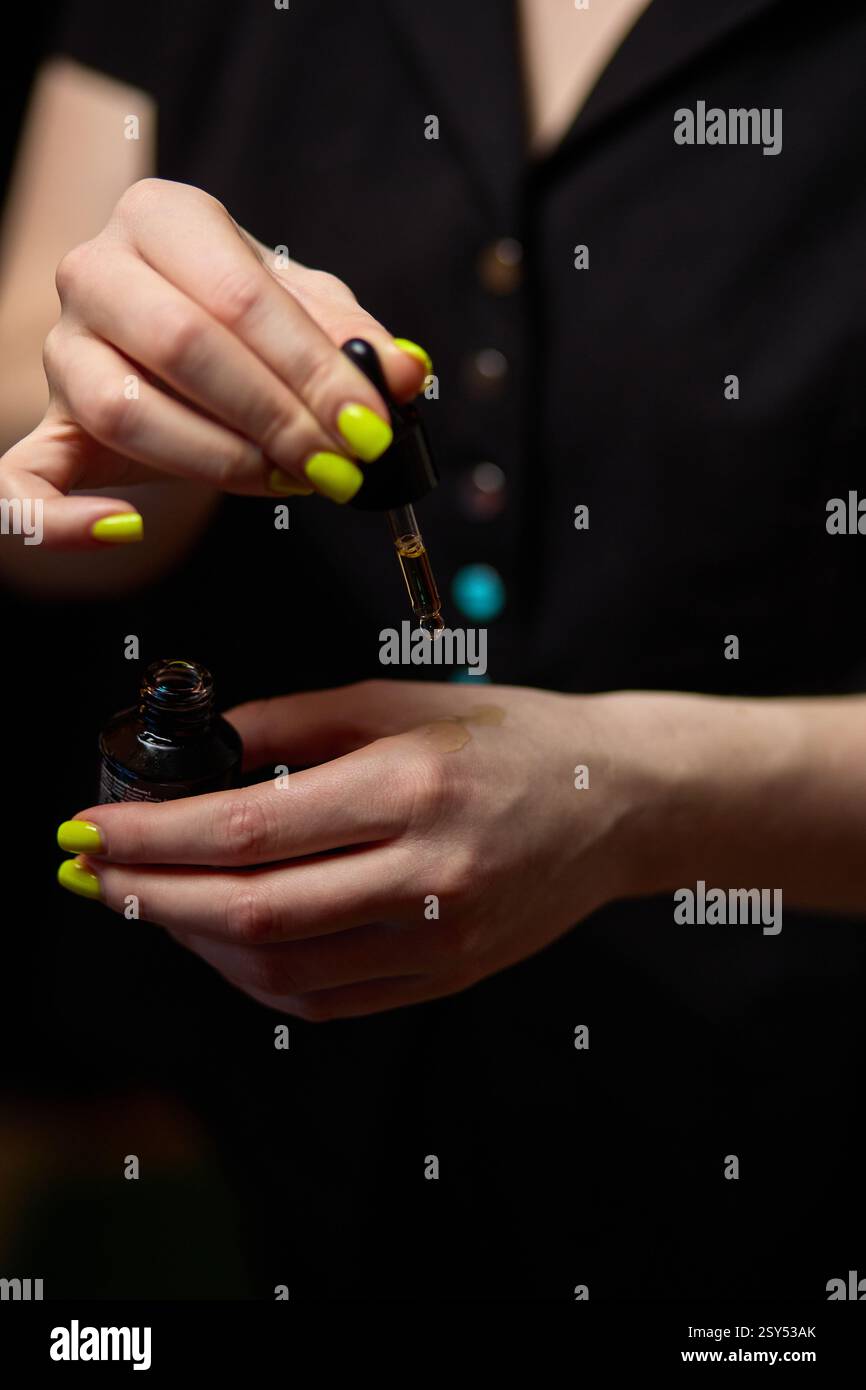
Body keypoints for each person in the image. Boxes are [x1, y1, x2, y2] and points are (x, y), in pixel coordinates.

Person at [1, 0, 864, 1300]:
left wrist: (637, 800)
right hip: (293, 1134)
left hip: (796, 1151)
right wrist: (122, 420)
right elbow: (29, 479)